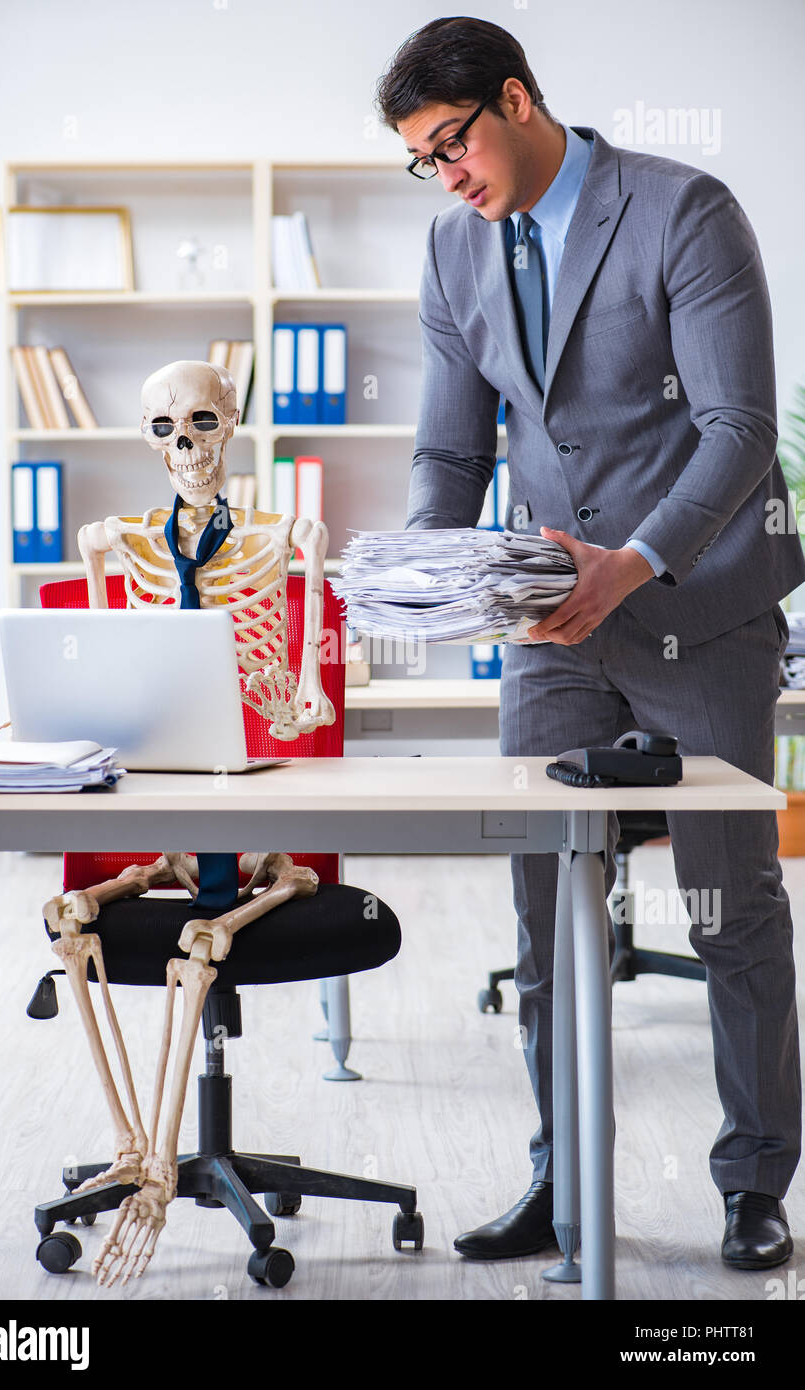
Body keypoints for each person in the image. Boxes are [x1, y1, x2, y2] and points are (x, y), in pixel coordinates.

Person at [375, 15, 803, 1270]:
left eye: (453, 141)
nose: (445, 172)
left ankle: (752, 1183)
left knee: (728, 907)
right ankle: (565, 1179)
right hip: (554, 622)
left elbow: (736, 428)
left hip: (699, 607)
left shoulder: (682, 210)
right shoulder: (456, 251)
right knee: (547, 914)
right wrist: (423, 576)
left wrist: (637, 561)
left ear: (517, 99)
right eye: (421, 157)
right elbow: (451, 452)